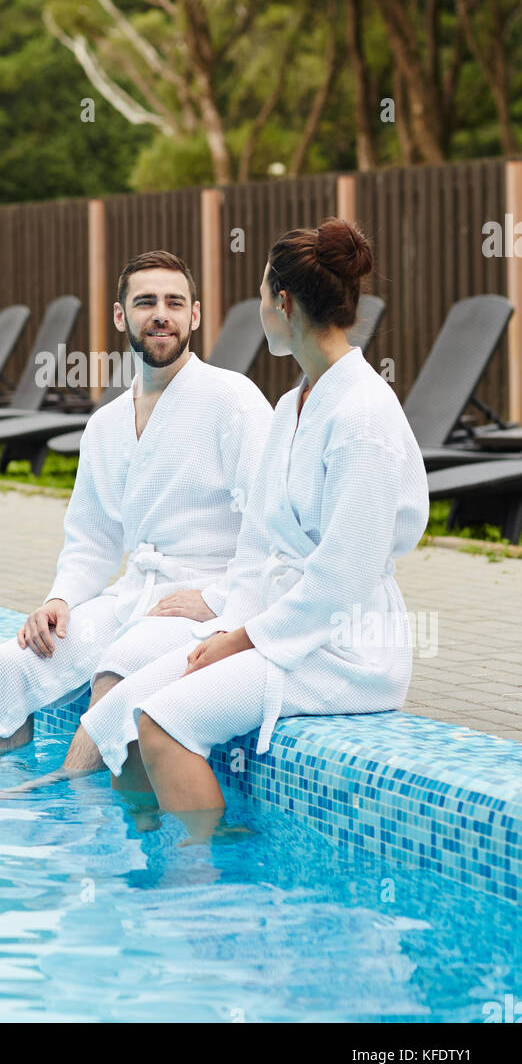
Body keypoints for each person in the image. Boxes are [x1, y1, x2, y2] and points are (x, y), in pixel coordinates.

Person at [81, 219, 430, 841]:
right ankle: (142, 857)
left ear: (284, 303)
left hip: (344, 647)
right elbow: (259, 546)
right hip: (280, 622)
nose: (260, 307)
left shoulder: (362, 414)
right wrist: (225, 623)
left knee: (160, 722)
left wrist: (246, 638)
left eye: (263, 295)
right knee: (120, 716)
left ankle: (206, 888)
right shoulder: (293, 403)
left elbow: (342, 576)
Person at [0, 249, 273, 793]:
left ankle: (74, 812)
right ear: (120, 317)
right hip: (137, 592)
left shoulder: (234, 401)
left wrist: (219, 597)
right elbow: (92, 538)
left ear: (195, 316)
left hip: (210, 598)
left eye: (174, 303)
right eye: (146, 302)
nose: (161, 314)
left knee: (122, 662)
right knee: (4, 667)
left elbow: (270, 526)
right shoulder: (106, 424)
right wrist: (61, 598)